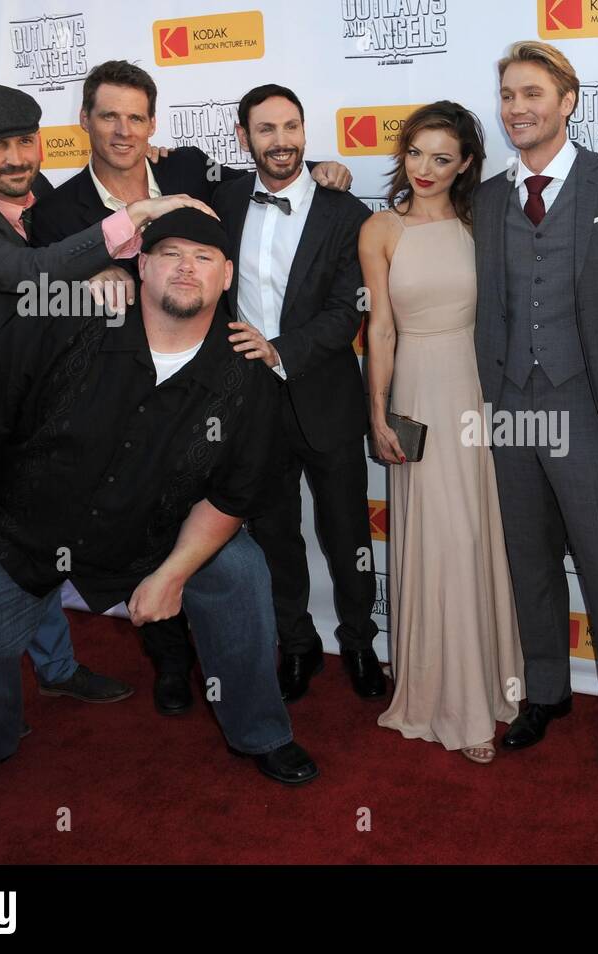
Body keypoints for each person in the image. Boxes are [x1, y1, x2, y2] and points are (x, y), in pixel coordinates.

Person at [0, 208, 318, 810]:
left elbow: (230, 498)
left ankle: (260, 732)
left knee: (240, 575)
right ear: (140, 264)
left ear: (227, 275)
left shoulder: (249, 376)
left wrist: (173, 574)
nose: (186, 267)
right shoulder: (63, 324)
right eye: (170, 253)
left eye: (204, 257)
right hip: (26, 522)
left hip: (165, 532)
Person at [31, 60, 351, 717]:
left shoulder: (186, 170)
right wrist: (81, 285)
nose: (123, 130)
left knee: (228, 534)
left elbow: (272, 166)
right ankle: (172, 663)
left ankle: (260, 671)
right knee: (147, 529)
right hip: (116, 405)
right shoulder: (59, 211)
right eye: (108, 115)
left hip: (210, 391)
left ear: (154, 124)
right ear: (84, 120)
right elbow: (39, 292)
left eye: (136, 117)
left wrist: (322, 172)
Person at [0, 84, 203, 714]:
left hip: (20, 421)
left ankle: (55, 668)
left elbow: (63, 271)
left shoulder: (44, 196)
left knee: (29, 551)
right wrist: (138, 216)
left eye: (25, 141)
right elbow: (31, 275)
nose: (16, 157)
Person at [473, 41, 598, 769]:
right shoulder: (484, 198)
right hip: (511, 399)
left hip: (587, 402)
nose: (518, 108)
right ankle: (545, 691)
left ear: (567, 101)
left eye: (533, 94)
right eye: (509, 95)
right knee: (529, 557)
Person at [361, 102, 524, 764]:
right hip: (418, 392)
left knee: (474, 536)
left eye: (442, 158)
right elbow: (380, 328)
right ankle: (441, 701)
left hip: (475, 388)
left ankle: (485, 689)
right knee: (437, 538)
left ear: (464, 166)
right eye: (416, 153)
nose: (425, 169)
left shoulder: (480, 221)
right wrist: (378, 410)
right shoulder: (380, 228)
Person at [212, 85, 386, 703]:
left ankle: (361, 643)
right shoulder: (224, 198)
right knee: (273, 533)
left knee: (347, 534)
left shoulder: (346, 213)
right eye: (265, 129)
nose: (280, 140)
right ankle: (297, 642)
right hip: (248, 403)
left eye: (291, 127)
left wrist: (281, 350)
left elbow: (347, 313)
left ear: (306, 132)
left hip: (325, 396)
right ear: (242, 137)